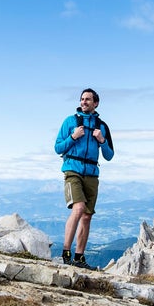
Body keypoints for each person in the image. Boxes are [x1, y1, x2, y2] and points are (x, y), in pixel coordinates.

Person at [54, 87, 114, 268]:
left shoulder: (101, 126)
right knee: (78, 208)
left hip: (92, 173)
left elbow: (109, 155)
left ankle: (79, 257)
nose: (84, 102)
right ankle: (66, 252)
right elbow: (58, 148)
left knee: (87, 216)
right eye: (82, 99)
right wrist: (73, 136)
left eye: (88, 99)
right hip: (72, 170)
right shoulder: (70, 121)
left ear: (96, 103)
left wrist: (101, 140)